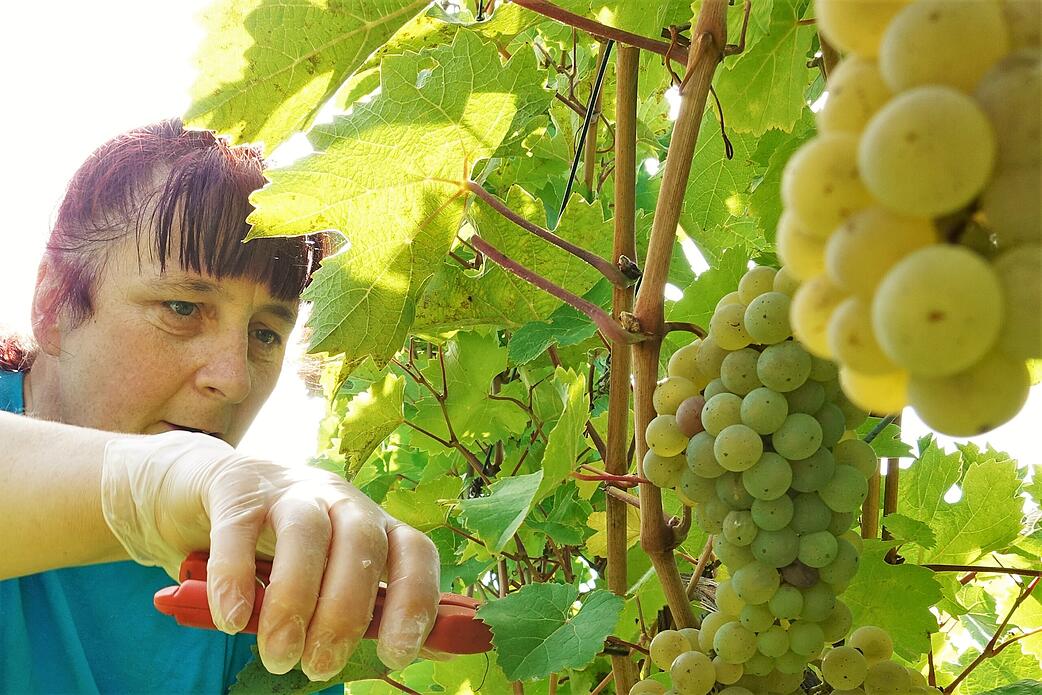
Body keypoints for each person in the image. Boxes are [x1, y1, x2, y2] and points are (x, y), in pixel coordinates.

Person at [0, 119, 441, 693]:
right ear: (54, 301)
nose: (233, 380)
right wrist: (146, 489)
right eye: (183, 308)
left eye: (264, 335)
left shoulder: (260, 575)